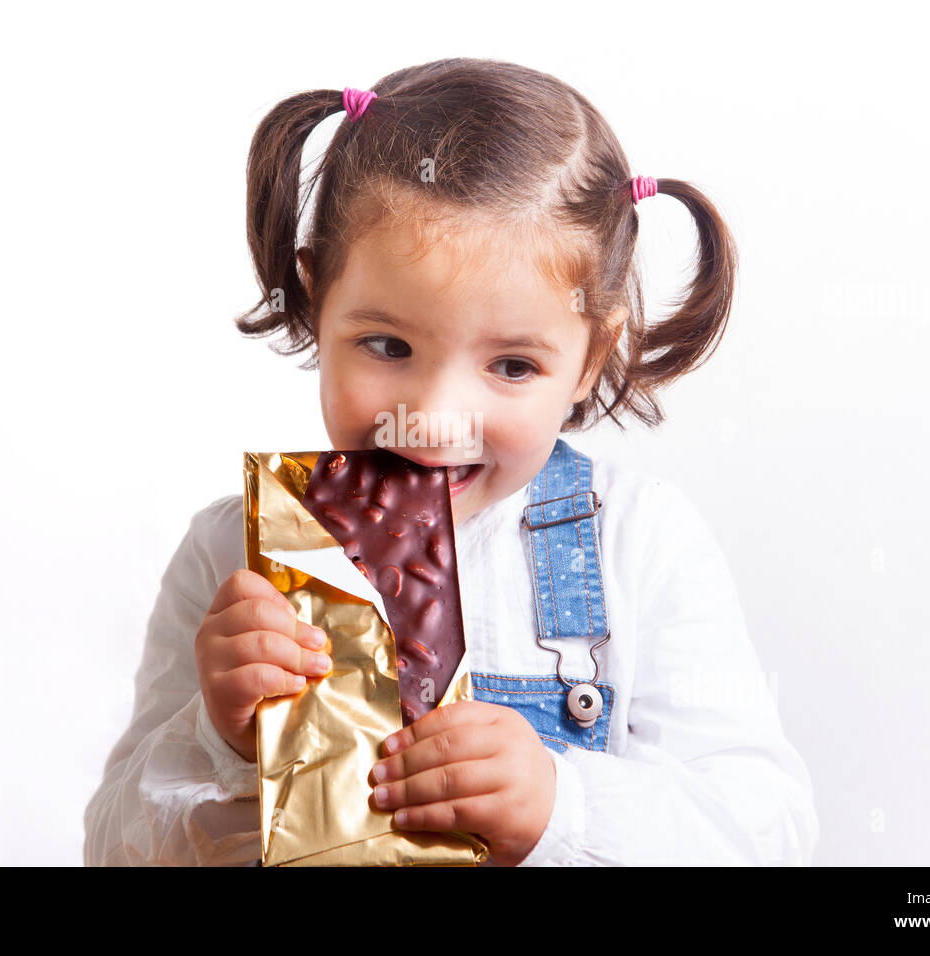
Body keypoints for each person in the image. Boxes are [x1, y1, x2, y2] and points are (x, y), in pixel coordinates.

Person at [83, 57, 819, 866]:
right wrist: (221, 740)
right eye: (388, 345)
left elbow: (767, 835)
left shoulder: (639, 544)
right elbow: (112, 849)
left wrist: (560, 807)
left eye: (511, 366)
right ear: (314, 301)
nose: (432, 421)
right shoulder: (229, 556)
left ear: (587, 359)